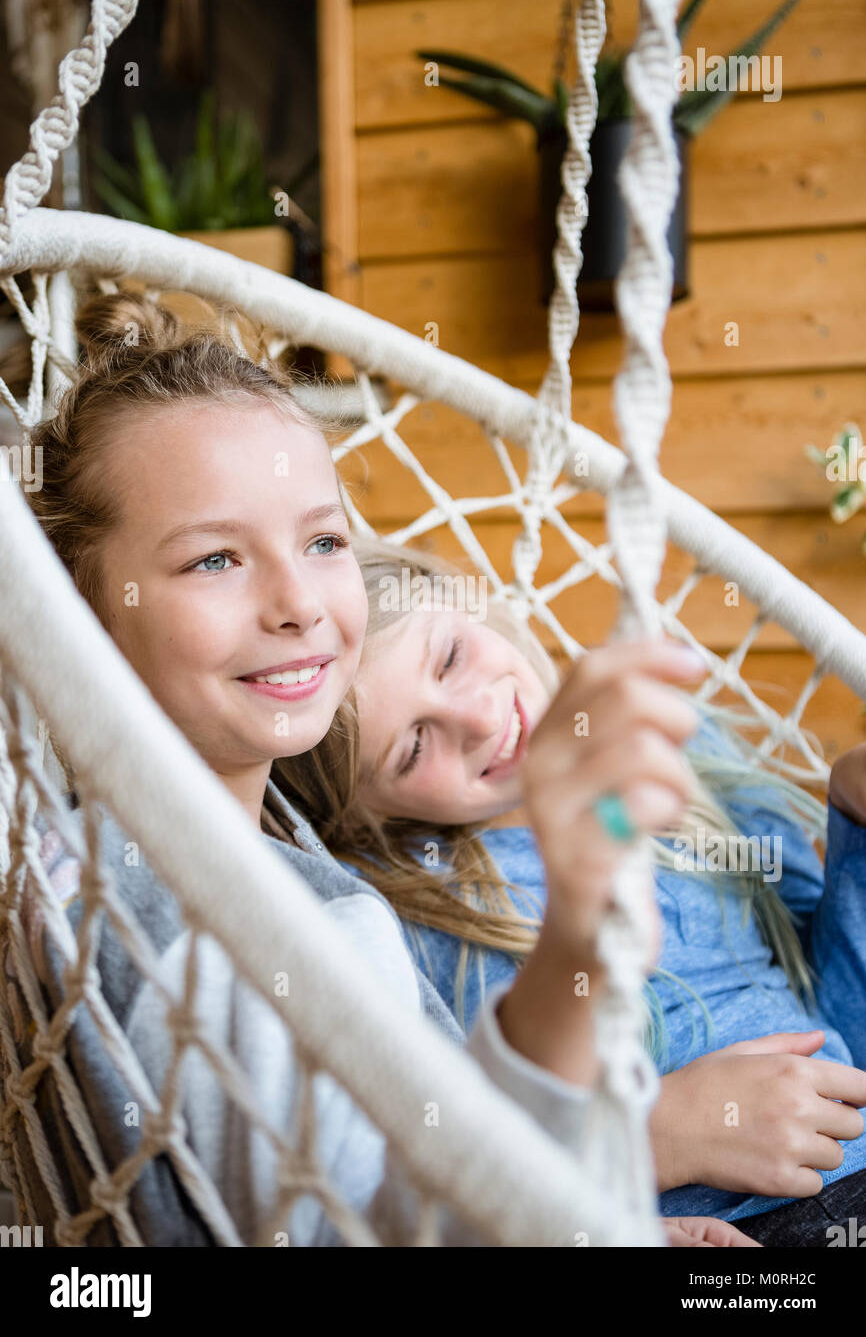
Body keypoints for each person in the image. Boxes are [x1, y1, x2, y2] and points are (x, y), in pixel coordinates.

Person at [13, 290, 751, 1248]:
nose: (299, 604)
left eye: (323, 541)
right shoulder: (189, 926)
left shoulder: (244, 847)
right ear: (83, 614)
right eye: (213, 561)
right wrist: (574, 932)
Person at [275, 536, 866, 1247]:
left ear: (474, 604)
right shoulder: (406, 916)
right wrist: (648, 1141)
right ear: (361, 820)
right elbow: (439, 1179)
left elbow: (841, 1016)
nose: (482, 720)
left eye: (451, 656)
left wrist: (856, 821)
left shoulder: (671, 741)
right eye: (412, 747)